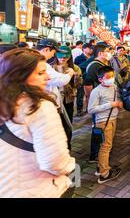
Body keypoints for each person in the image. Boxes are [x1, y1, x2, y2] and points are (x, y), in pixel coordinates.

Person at [0, 49, 75, 197]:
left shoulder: (5, 102)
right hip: (36, 189)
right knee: (74, 178)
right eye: (40, 73)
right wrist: (70, 165)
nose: (47, 77)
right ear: (20, 76)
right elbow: (55, 162)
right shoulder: (39, 107)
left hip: (7, 187)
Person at [36, 39, 74, 149]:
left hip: (60, 103)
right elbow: (60, 80)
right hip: (49, 106)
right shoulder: (42, 64)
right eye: (54, 52)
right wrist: (69, 74)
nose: (46, 77)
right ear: (47, 49)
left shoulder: (42, 63)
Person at [88, 66, 122, 183]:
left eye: (112, 76)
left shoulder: (114, 87)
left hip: (113, 119)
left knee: (107, 146)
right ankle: (104, 174)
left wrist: (118, 104)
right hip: (103, 122)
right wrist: (111, 104)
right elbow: (91, 109)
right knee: (105, 147)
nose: (111, 79)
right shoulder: (96, 91)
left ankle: (101, 167)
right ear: (100, 79)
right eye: (108, 77)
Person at [83, 43, 112, 162]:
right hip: (98, 102)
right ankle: (94, 154)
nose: (110, 53)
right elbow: (87, 84)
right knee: (97, 127)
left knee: (102, 126)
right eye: (107, 51)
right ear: (100, 53)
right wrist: (90, 101)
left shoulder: (104, 63)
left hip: (104, 101)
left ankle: (101, 149)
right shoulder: (94, 66)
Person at [55, 46, 83, 127]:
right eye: (60, 57)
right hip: (55, 98)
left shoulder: (75, 68)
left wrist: (76, 77)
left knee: (68, 122)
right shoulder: (51, 68)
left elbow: (78, 85)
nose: (63, 59)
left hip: (68, 98)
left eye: (65, 57)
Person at [74, 43, 94, 115]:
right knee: (80, 94)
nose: (91, 50)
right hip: (82, 78)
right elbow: (76, 68)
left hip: (91, 79)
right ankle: (79, 110)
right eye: (89, 48)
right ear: (84, 49)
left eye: (92, 48)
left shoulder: (93, 58)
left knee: (91, 95)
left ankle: (89, 108)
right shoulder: (78, 58)